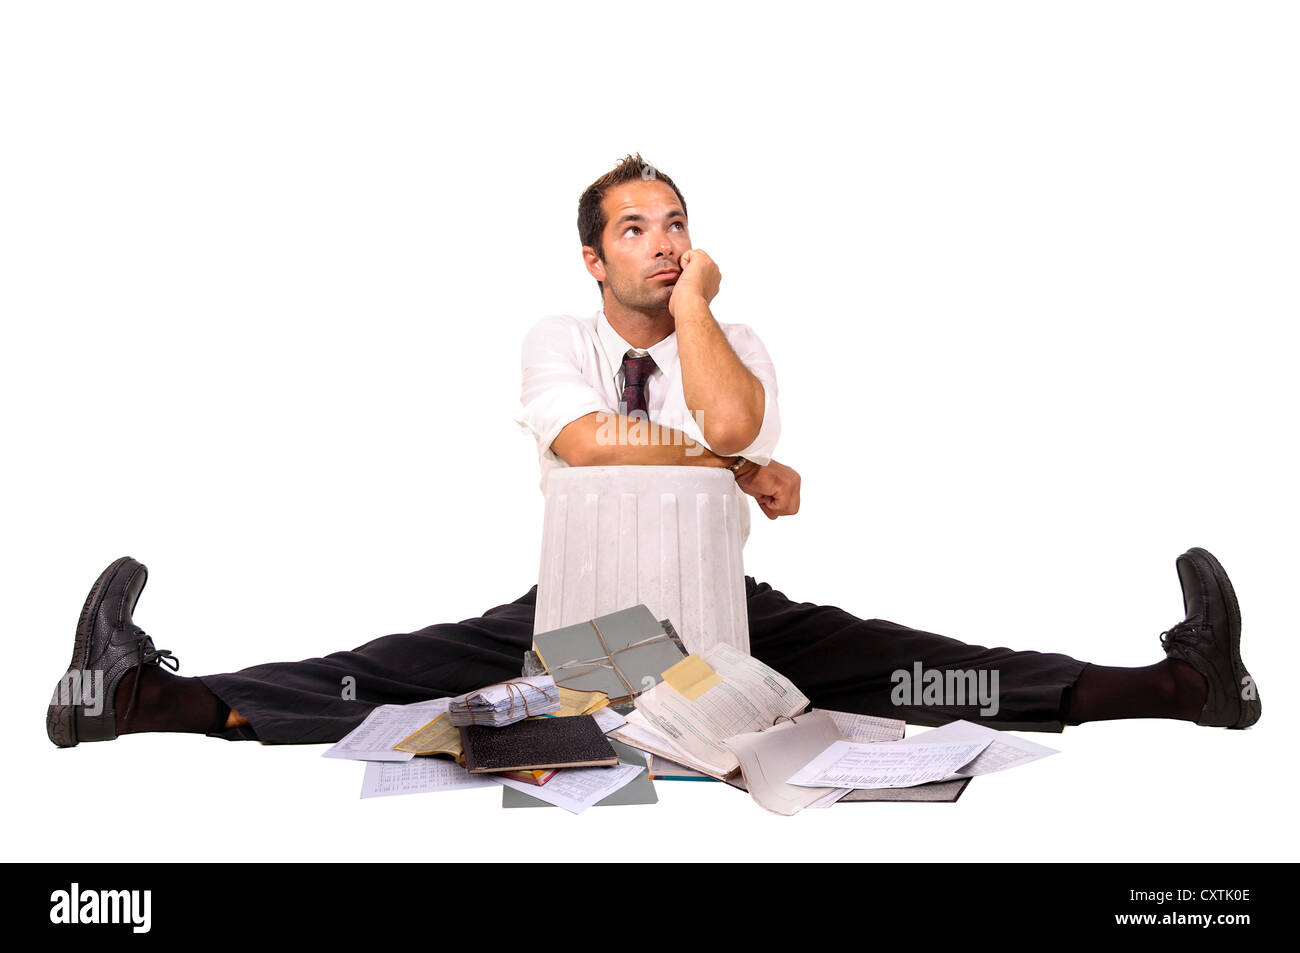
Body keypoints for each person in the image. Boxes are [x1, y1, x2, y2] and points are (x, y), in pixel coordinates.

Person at [45, 154, 1261, 750]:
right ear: (593, 256)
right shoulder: (553, 336)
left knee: (928, 670)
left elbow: (725, 421)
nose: (662, 242)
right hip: (581, 611)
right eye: (636, 229)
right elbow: (585, 438)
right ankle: (142, 697)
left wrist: (696, 325)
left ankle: (1186, 686)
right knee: (380, 674)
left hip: (720, 609)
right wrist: (734, 473)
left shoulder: (732, 341)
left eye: (676, 224)